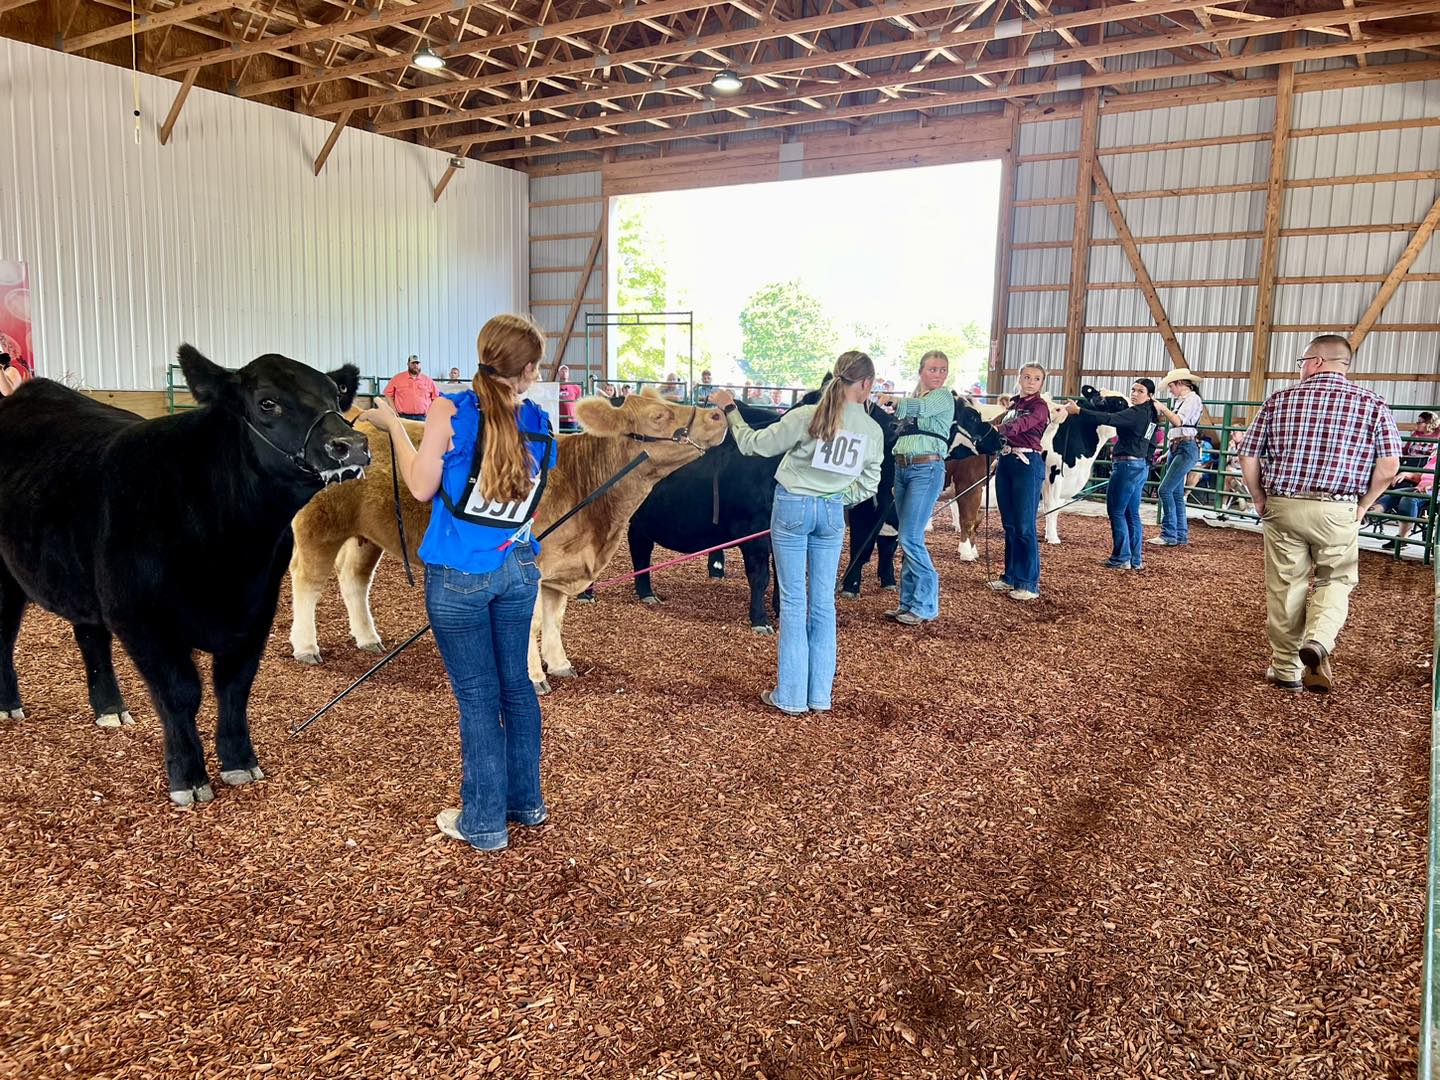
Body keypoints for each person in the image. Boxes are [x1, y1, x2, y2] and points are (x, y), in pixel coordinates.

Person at [359, 314, 556, 850]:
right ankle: (526, 802)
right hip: (516, 569)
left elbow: (421, 489)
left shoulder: (450, 409)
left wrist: (394, 426)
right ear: (530, 370)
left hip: (458, 576)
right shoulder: (540, 420)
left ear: (483, 353)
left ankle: (484, 822)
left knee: (476, 696)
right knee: (515, 685)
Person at [708, 352, 882, 715]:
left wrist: (730, 410)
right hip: (832, 512)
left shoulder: (807, 416)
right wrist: (836, 497)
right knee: (823, 603)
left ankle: (790, 696)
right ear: (866, 384)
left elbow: (754, 445)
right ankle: (819, 695)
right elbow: (870, 482)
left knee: (792, 601)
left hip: (792, 506)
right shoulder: (871, 430)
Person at [1238, 334, 1401, 693]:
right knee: (1336, 580)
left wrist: (1260, 498)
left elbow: (1247, 455)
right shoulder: (1372, 403)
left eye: (1302, 362)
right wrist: (1363, 504)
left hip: (1284, 505)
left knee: (1284, 587)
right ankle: (1319, 639)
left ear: (1315, 361)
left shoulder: (1278, 400)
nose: (1300, 369)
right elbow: (1390, 466)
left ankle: (1285, 669)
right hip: (1338, 509)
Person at [1064, 379, 1159, 571]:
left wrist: (1080, 411)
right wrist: (1146, 461)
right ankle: (1135, 559)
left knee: (1116, 511)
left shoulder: (1135, 413)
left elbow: (1109, 419)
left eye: (1140, 391)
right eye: (1133, 390)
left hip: (1126, 464)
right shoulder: (1151, 414)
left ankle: (1121, 557)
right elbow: (1151, 441)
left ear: (1149, 395)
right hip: (1140, 465)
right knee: (1132, 513)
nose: (1134, 394)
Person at [888, 350, 954, 624]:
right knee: (907, 536)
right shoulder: (917, 397)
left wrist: (892, 400)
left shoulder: (942, 397)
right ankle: (908, 603)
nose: (938, 374)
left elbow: (920, 410)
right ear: (921, 371)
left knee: (910, 537)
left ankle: (926, 604)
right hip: (903, 467)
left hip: (926, 468)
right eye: (932, 369)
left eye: (942, 369)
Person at [989, 364, 1051, 601]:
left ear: (1042, 383)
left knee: (1025, 525)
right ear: (1019, 379)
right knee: (1010, 524)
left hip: (1027, 464)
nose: (1031, 382)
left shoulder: (1040, 407)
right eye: (1026, 377)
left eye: (1036, 378)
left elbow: (1020, 427)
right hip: (1007, 461)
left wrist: (995, 429)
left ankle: (1029, 582)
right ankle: (1011, 575)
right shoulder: (1014, 404)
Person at [1149, 367, 1205, 546]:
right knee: (1176, 493)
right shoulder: (1184, 400)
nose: (1170, 390)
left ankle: (1169, 533)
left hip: (1185, 447)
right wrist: (1168, 451)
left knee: (1165, 490)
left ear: (1180, 384)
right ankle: (1180, 534)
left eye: (1171, 386)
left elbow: (1179, 422)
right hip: (1179, 446)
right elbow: (1180, 428)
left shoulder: (1192, 400)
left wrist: (1161, 407)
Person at [384, 355, 439, 420]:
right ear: (408, 364)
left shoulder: (428, 380)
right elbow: (388, 394)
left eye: (417, 363)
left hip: (423, 417)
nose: (415, 365)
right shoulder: (397, 378)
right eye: (413, 363)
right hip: (402, 416)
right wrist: (393, 410)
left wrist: (431, 410)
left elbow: (436, 397)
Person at [556, 364, 582, 430]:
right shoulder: (555, 387)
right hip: (558, 419)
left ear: (568, 373)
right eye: (562, 371)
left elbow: (578, 400)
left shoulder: (575, 387)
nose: (564, 373)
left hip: (571, 419)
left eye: (566, 371)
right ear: (559, 373)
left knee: (572, 438)